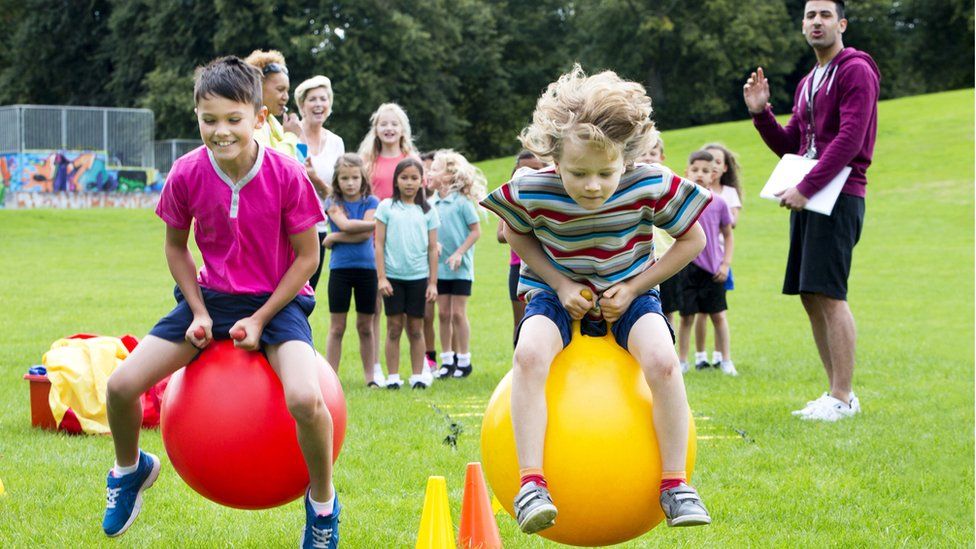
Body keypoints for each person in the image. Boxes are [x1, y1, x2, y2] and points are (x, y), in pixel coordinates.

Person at [100, 57, 340, 547]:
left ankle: (322, 504)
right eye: (209, 120)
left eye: (233, 119)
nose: (221, 131)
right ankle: (130, 470)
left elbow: (307, 258)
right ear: (196, 116)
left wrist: (260, 318)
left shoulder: (286, 174)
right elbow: (175, 246)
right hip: (209, 298)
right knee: (121, 386)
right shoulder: (187, 172)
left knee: (305, 398)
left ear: (258, 117)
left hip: (278, 302)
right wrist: (201, 312)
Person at [481, 65, 713, 535]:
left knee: (665, 361)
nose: (592, 186)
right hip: (553, 293)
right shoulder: (534, 187)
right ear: (554, 159)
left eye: (606, 173)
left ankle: (675, 484)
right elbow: (513, 233)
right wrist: (560, 284)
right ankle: (531, 484)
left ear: (626, 158)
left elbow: (694, 241)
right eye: (578, 173)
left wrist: (634, 286)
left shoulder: (649, 182)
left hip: (631, 294)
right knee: (528, 354)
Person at [744, 0, 879, 421]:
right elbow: (794, 146)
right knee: (809, 293)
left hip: (838, 195)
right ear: (802, 25)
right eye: (809, 16)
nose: (816, 22)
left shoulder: (855, 69)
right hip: (811, 194)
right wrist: (761, 114)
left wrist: (807, 187)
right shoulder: (808, 81)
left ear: (841, 23)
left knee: (831, 294)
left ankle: (843, 396)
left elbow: (852, 138)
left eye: (824, 15)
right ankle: (834, 394)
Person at [358, 103, 420, 382]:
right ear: (376, 128)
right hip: (374, 239)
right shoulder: (367, 161)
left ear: (402, 128)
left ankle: (419, 366)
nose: (389, 128)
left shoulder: (411, 159)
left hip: (406, 243)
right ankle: (375, 367)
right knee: (374, 307)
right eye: (384, 123)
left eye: (394, 123)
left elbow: (423, 201)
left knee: (409, 312)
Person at [374, 158, 439, 389]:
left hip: (418, 278)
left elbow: (433, 248)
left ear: (422, 181)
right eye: (404, 178)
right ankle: (392, 377)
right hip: (392, 278)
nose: (409, 183)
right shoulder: (386, 207)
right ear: (396, 181)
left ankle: (418, 375)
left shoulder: (428, 211)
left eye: (414, 178)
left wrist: (432, 283)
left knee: (415, 327)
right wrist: (381, 277)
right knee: (393, 327)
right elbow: (379, 244)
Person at [322, 154, 382, 387]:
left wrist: (335, 236)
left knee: (365, 326)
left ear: (362, 178)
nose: (350, 183)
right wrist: (373, 224)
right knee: (337, 326)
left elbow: (366, 234)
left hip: (367, 270)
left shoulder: (371, 202)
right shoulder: (332, 202)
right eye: (345, 178)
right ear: (337, 180)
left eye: (355, 177)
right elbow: (349, 225)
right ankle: (330, 379)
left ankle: (370, 378)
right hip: (340, 271)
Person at [676, 151, 736, 377]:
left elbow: (728, 235)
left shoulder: (719, 203)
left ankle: (726, 360)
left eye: (705, 171)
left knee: (718, 315)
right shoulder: (679, 200)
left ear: (713, 175)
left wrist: (725, 264)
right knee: (686, 317)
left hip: (713, 270)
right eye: (695, 170)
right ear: (687, 172)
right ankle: (682, 360)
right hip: (685, 268)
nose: (699, 175)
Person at [428, 150, 486, 378]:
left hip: (460, 269)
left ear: (449, 174)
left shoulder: (461, 202)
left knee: (458, 314)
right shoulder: (431, 203)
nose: (430, 172)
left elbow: (475, 231)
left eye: (435, 168)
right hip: (439, 268)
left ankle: (464, 360)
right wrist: (433, 244)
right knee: (443, 314)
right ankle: (447, 360)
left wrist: (459, 253)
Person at [692, 143, 743, 369]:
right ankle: (701, 356)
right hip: (695, 261)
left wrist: (725, 262)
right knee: (698, 313)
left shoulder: (726, 196)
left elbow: (732, 225)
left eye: (716, 162)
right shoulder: (693, 192)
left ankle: (722, 356)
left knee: (717, 311)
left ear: (721, 169)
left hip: (718, 258)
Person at [296, 75, 345, 291]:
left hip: (319, 227)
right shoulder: (292, 137)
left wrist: (315, 179)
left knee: (308, 294)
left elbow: (339, 192)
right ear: (302, 105)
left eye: (323, 99)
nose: (318, 104)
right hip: (291, 227)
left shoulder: (336, 142)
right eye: (312, 99)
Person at [496, 151, 546, 343]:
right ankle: (518, 365)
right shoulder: (512, 198)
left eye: (536, 168)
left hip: (547, 267)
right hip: (518, 267)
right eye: (523, 168)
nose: (529, 172)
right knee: (521, 320)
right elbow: (500, 235)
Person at [244, 50, 302, 158]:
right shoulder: (253, 124)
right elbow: (272, 164)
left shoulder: (272, 122)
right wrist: (292, 135)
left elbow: (300, 162)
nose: (286, 97)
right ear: (258, 87)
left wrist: (300, 137)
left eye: (287, 91)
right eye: (280, 90)